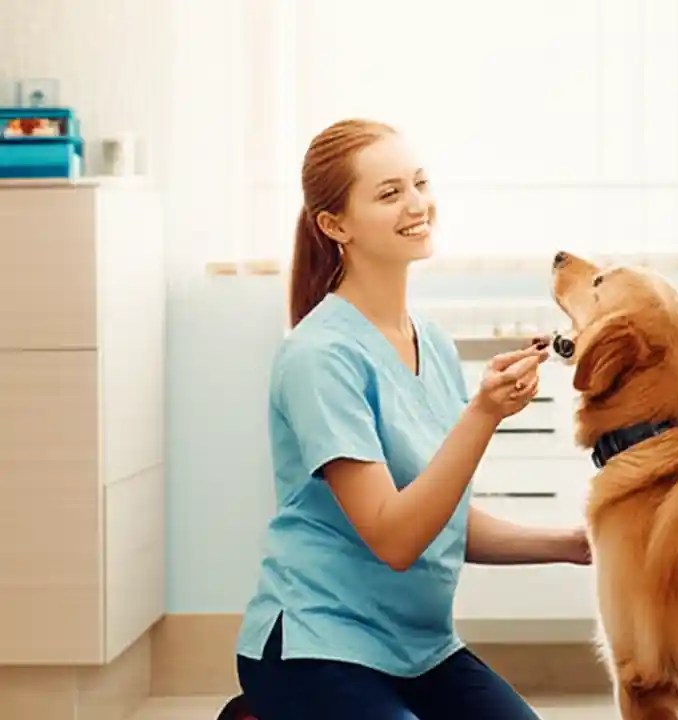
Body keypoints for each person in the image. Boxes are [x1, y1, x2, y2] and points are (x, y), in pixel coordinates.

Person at [234, 118, 591, 720]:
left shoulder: (432, 342)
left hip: (419, 651)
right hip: (317, 649)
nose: (417, 204)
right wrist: (484, 413)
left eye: (419, 183)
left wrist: (580, 545)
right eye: (389, 193)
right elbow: (396, 538)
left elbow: (441, 520)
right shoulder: (320, 357)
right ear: (334, 225)